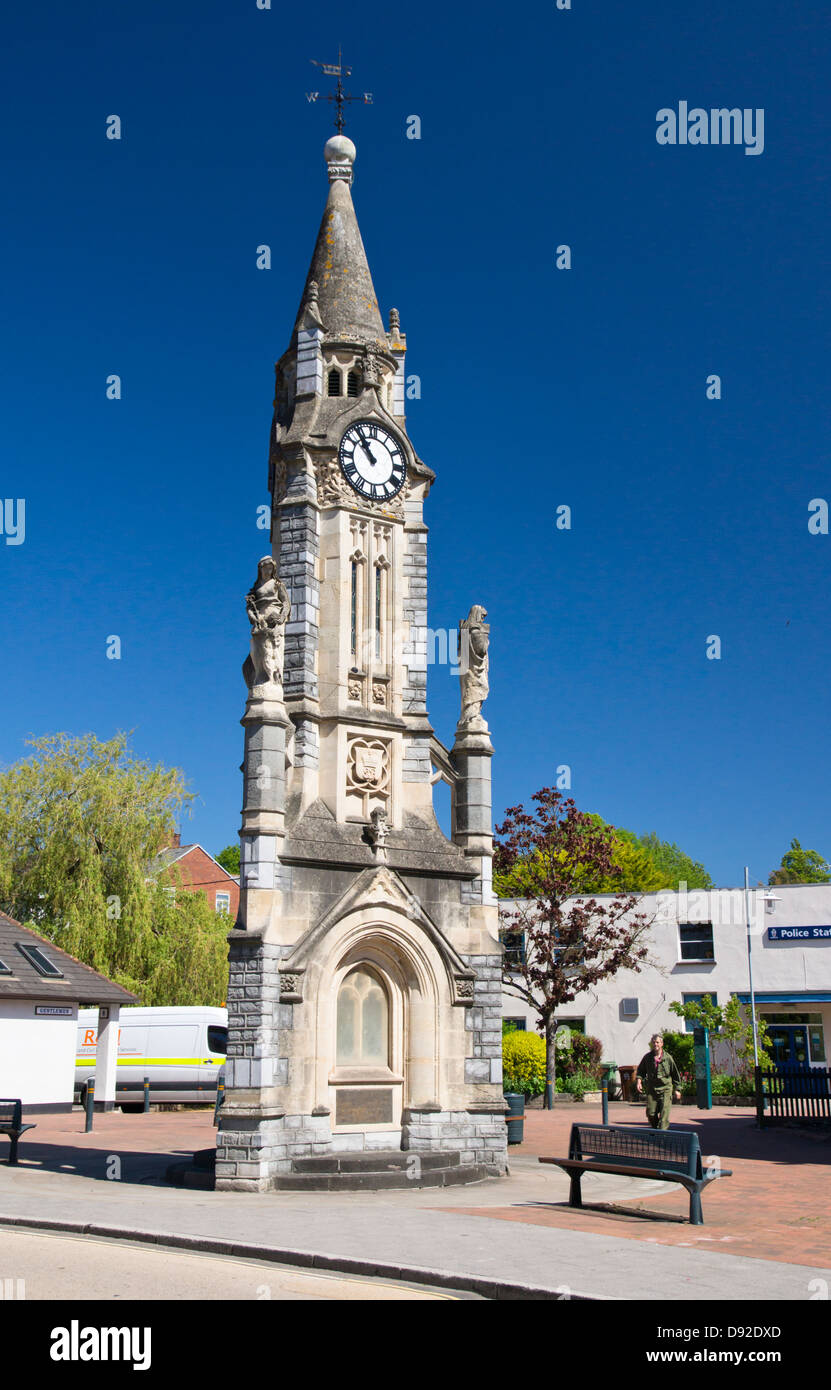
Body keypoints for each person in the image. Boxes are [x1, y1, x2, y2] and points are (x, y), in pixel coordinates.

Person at [636, 1032, 682, 1129]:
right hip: (652, 1089)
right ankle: (656, 1129)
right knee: (650, 1113)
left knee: (664, 1115)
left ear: (662, 1044)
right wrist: (639, 1081)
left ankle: (662, 1135)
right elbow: (641, 1071)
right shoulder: (647, 1058)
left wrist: (677, 1089)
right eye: (653, 1042)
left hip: (666, 1089)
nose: (655, 1044)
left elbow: (675, 1074)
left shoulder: (668, 1058)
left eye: (657, 1042)